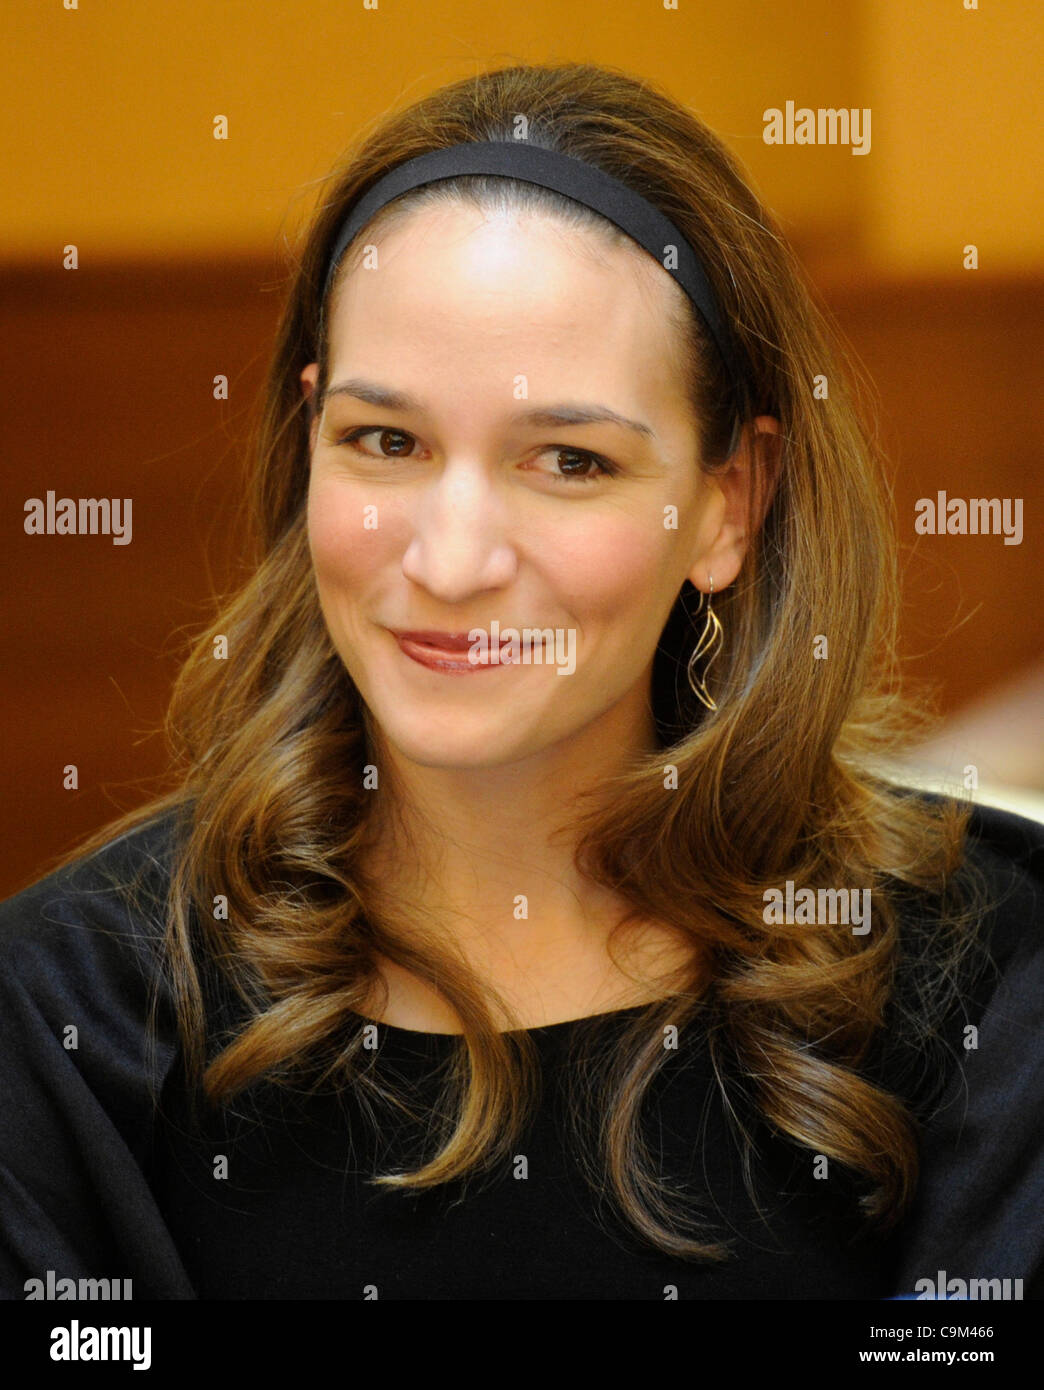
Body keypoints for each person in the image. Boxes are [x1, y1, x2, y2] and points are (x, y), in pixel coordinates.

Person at [2, 61, 1041, 1302]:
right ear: (310, 441)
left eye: (568, 459)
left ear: (729, 504)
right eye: (387, 442)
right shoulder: (72, 1010)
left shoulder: (984, 976)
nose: (448, 562)